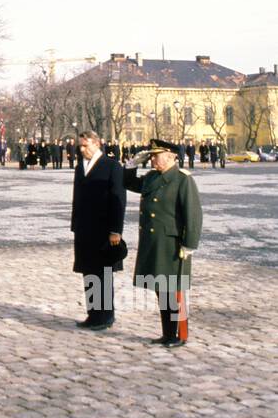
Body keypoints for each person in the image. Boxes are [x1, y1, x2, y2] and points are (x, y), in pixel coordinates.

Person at [123, 139, 203, 347]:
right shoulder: (152, 177)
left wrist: (189, 244)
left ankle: (177, 334)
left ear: (170, 157)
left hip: (172, 243)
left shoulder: (182, 179)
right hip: (154, 241)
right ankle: (167, 333)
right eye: (150, 156)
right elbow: (129, 184)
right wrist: (132, 165)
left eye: (155, 156)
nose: (151, 159)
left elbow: (193, 214)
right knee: (161, 289)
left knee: (173, 290)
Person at [70, 131, 126, 331]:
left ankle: (106, 315)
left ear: (96, 144)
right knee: (89, 272)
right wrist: (75, 225)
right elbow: (77, 198)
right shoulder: (80, 168)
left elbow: (118, 199)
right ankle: (93, 314)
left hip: (104, 230)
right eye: (80, 146)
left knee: (104, 273)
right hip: (85, 230)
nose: (81, 149)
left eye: (85, 146)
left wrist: (115, 230)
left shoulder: (112, 166)